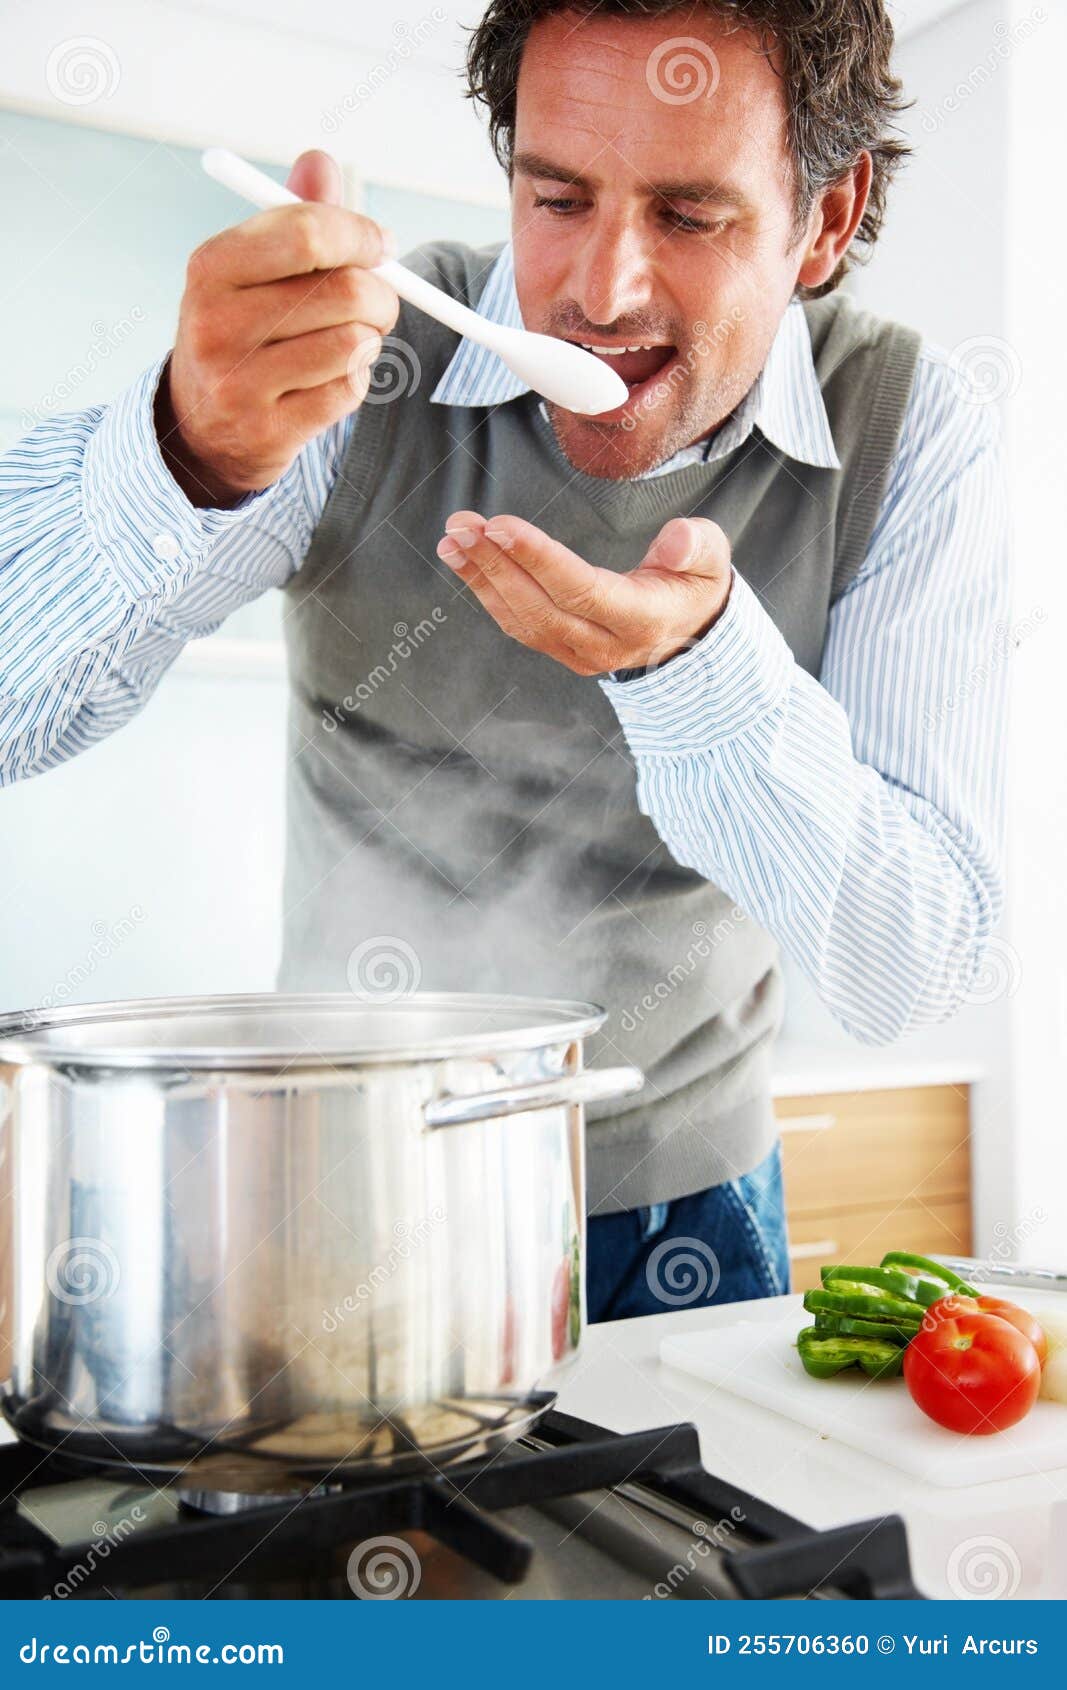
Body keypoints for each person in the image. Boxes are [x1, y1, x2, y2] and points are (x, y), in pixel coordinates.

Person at [0, 1, 1008, 1320]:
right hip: (338, 1196)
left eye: (689, 216)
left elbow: (911, 967)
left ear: (824, 219)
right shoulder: (357, 363)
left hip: (687, 1218)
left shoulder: (912, 429)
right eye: (557, 196)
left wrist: (698, 672)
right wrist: (190, 452)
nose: (600, 291)